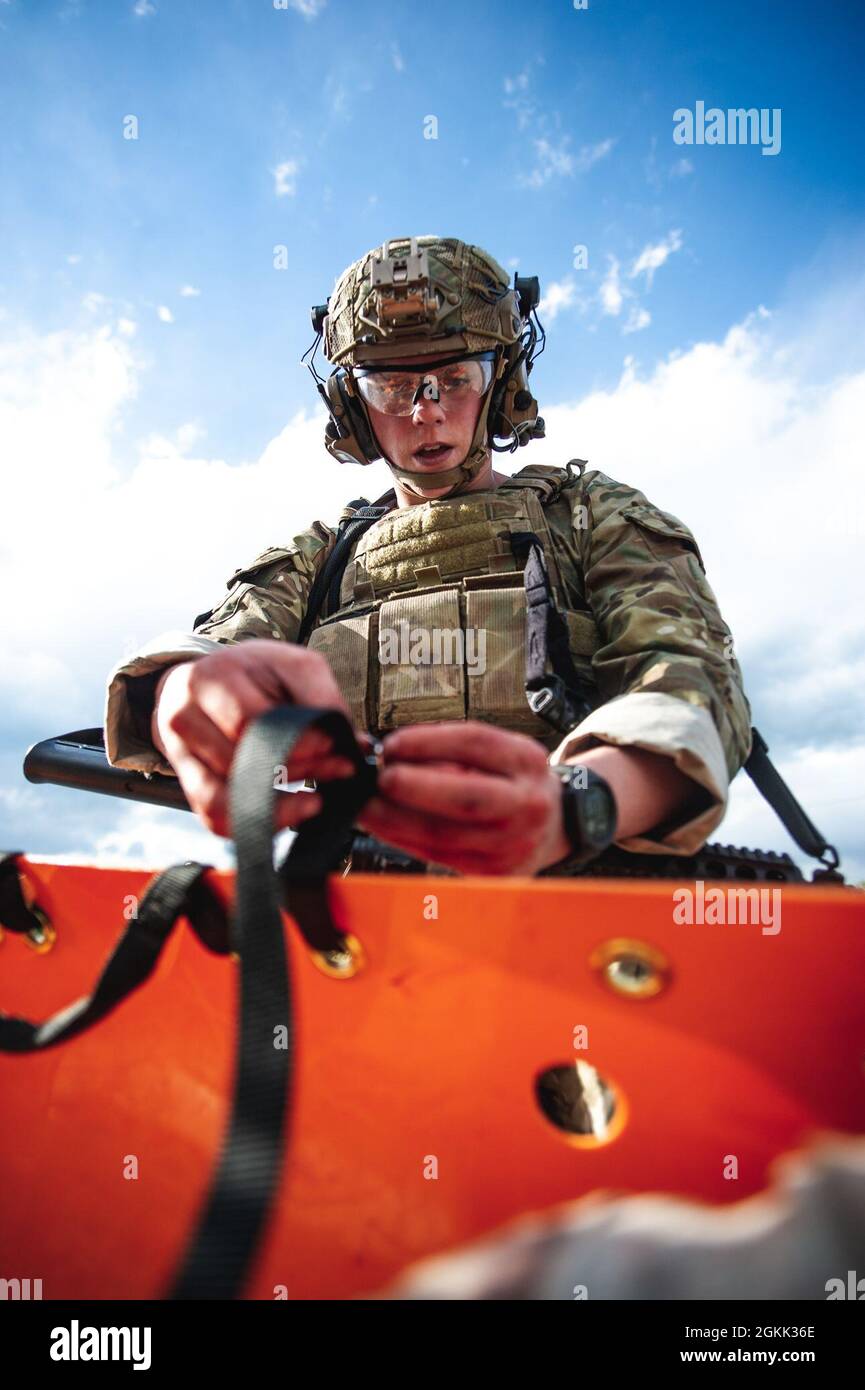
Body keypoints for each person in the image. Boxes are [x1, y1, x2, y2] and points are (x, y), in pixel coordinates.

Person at [104, 235, 752, 877]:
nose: (425, 413)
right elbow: (216, 651)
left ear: (502, 384)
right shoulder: (321, 555)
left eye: (455, 378)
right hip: (358, 921)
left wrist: (579, 803)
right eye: (391, 386)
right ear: (352, 408)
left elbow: (689, 680)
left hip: (578, 905)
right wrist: (177, 691)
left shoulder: (587, 514)